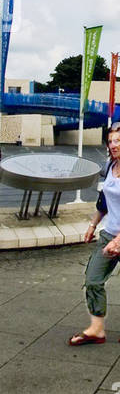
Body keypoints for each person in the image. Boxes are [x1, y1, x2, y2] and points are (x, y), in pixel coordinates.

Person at [78, 132, 120, 346]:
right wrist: (92, 226)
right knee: (93, 279)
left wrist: (118, 241)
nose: (113, 145)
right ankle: (97, 329)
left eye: (118, 141)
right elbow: (103, 202)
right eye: (111, 141)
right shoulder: (110, 168)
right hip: (109, 235)